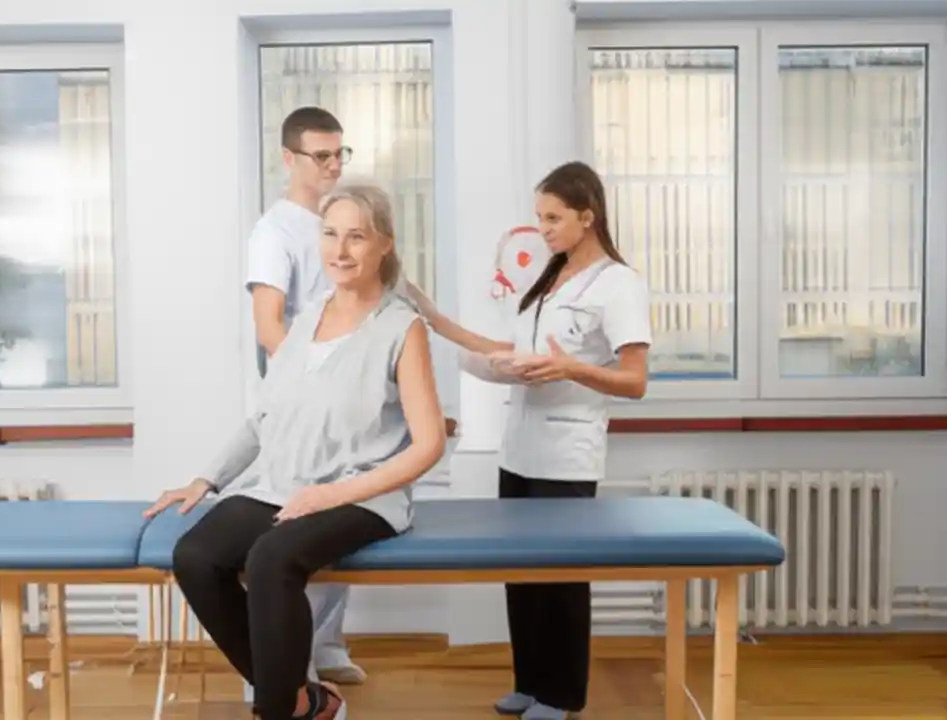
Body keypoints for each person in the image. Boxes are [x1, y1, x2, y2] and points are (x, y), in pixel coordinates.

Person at [145, 183, 447, 720]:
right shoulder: (309, 318)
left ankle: (276, 710)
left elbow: (429, 445)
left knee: (271, 558)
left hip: (362, 496)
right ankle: (301, 699)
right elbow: (265, 418)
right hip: (285, 486)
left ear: (384, 244)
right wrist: (206, 479)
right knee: (195, 556)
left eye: (356, 237)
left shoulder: (403, 328)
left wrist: (331, 495)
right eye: (330, 234)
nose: (340, 250)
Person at [405, 161, 651, 720]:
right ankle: (531, 682)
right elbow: (511, 351)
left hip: (568, 457)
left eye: (553, 218)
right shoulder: (550, 278)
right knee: (522, 572)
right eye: (539, 217)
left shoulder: (618, 284)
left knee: (560, 577)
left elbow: (635, 381)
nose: (543, 229)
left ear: (588, 216)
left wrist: (569, 369)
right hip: (519, 449)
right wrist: (436, 319)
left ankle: (562, 696)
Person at [243, 106, 366, 685]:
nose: (334, 165)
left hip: (350, 400)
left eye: (340, 154)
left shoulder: (339, 221)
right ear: (289, 159)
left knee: (340, 515)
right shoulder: (275, 232)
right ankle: (282, 665)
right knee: (293, 530)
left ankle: (328, 644)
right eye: (322, 155)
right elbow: (269, 326)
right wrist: (312, 385)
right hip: (301, 403)